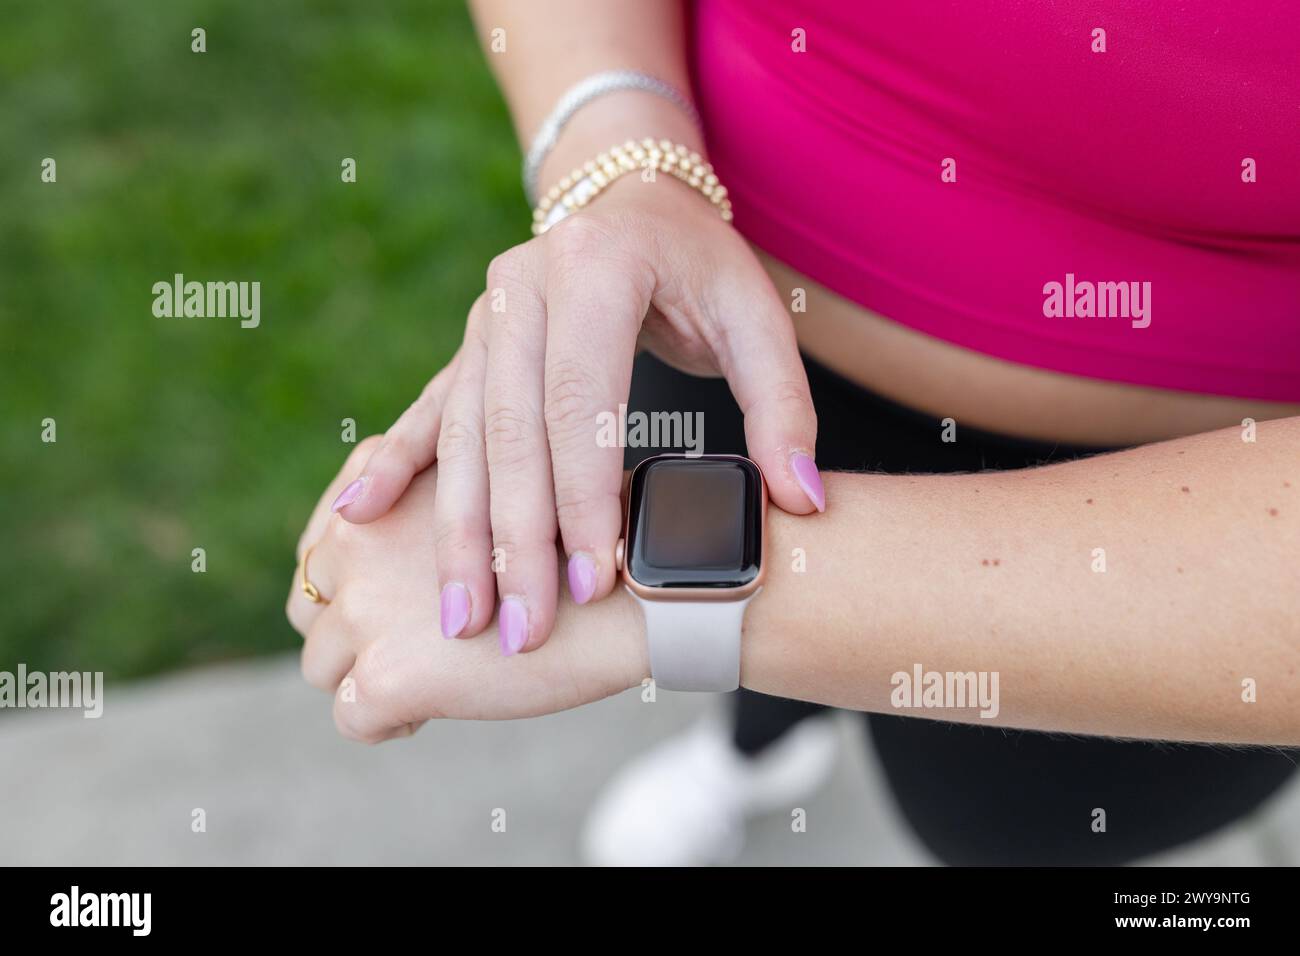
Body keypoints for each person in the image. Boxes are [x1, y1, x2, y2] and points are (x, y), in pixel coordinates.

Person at [286, 1, 1300, 865]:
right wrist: (622, 163)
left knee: (999, 821)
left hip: (1175, 512)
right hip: (698, 307)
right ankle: (753, 747)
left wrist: (660, 616)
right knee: (757, 688)